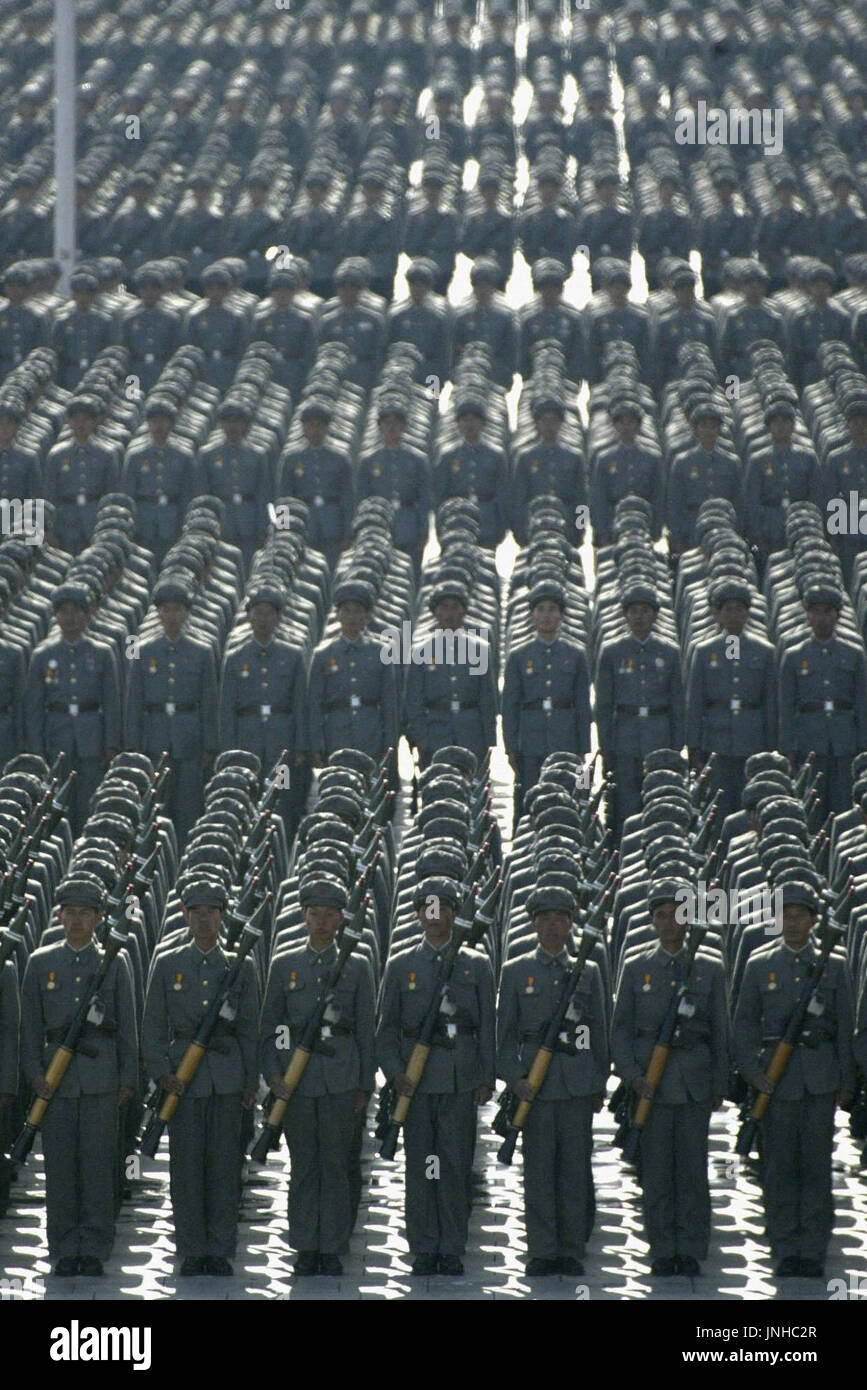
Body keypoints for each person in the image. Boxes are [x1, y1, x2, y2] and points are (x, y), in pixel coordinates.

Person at [733, 881, 855, 1278]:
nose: (792, 921)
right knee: (780, 1167)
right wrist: (754, 1073)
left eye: (800, 913)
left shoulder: (834, 965)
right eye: (785, 913)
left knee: (816, 1167)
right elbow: (744, 1026)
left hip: (818, 1078)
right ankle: (785, 1246)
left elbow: (845, 1027)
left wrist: (845, 1080)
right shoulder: (760, 963)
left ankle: (813, 1247)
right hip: (777, 1080)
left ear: (814, 920)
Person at [376, 877, 495, 1276]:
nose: (435, 915)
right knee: (423, 1165)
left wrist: (485, 1076)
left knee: (454, 1165)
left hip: (459, 1079)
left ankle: (452, 1246)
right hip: (417, 1080)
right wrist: (394, 1073)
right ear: (416, 915)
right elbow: (387, 1027)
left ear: (454, 914)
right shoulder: (401, 964)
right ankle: (424, 1245)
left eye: (443, 907)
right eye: (428, 908)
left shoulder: (475, 965)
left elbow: (488, 1027)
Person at [141, 876, 259, 1276]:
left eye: (211, 912)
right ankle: (192, 1248)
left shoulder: (240, 966)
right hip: (183, 1082)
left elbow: (251, 1030)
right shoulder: (168, 961)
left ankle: (221, 1248)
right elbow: (153, 1027)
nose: (204, 919)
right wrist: (162, 1074)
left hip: (225, 1079)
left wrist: (248, 1083)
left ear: (223, 917)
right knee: (187, 1169)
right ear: (185, 915)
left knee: (225, 1167)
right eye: (197, 912)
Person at [611, 879, 729, 1276]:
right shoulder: (637, 966)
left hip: (693, 1080)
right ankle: (663, 1247)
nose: (668, 921)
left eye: (676, 913)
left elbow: (721, 1031)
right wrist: (632, 1077)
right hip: (652, 1085)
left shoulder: (709, 968)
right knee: (657, 1171)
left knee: (692, 1170)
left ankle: (692, 1248)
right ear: (652, 921)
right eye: (660, 914)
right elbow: (620, 1030)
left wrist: (717, 1086)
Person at [20, 875, 137, 1277]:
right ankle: (64, 1247)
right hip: (56, 1081)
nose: (76, 920)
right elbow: (30, 1028)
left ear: (99, 918)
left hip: (101, 1078)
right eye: (70, 913)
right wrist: (34, 1073)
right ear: (59, 916)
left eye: (85, 914)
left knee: (98, 1168)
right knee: (61, 1168)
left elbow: (126, 1025)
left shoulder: (112, 962)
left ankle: (95, 1247)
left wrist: (127, 1077)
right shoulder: (41, 962)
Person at [259, 878, 376, 1276]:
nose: (322, 922)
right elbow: (272, 1025)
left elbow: (365, 1029)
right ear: (304, 917)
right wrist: (275, 1073)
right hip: (298, 1080)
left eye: (330, 915)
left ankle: (333, 1244)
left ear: (341, 919)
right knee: (305, 1164)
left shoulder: (357, 966)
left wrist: (364, 1084)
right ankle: (307, 1244)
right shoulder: (285, 964)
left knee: (337, 1164)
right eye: (315, 915)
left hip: (341, 1076)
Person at [497, 885, 609, 1276]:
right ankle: (542, 1249)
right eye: (544, 919)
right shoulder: (516, 971)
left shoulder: (589, 971)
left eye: (560, 919)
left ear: (571, 924)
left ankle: (571, 1249)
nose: (552, 926)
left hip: (575, 1082)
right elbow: (504, 1035)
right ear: (533, 924)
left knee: (575, 1170)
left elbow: (597, 1031)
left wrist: (597, 1081)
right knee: (540, 1171)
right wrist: (514, 1079)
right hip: (535, 1085)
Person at [125, 575, 218, 851]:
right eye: (166, 609)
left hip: (189, 738)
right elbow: (134, 704)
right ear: (158, 613)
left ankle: (185, 854)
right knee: (156, 805)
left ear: (187, 613)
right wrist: (133, 746)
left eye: (177, 609)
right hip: (155, 738)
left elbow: (209, 702)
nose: (172, 615)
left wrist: (210, 745)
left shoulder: (201, 651)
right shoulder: (142, 651)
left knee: (188, 806)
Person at [25, 583, 122, 835]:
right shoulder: (43, 655)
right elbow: (33, 706)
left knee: (88, 800)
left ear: (88, 614)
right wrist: (35, 747)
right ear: (55, 616)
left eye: (77, 611)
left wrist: (111, 744)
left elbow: (112, 701)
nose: (70, 618)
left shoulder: (101, 652)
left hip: (91, 736)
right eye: (64, 612)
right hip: (56, 734)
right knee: (57, 802)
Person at [219, 580, 307, 837]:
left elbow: (299, 705)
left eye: (269, 613)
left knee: (283, 799)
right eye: (258, 613)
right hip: (247, 742)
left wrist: (300, 746)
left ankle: (282, 845)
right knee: (250, 798)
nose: (263, 619)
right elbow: (227, 709)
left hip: (283, 744)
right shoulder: (236, 658)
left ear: (279, 617)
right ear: (248, 616)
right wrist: (229, 750)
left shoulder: (291, 657)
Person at [595, 584, 684, 837]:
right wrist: (606, 745)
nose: (639, 616)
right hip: (624, 735)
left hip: (659, 734)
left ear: (655, 615)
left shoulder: (669, 652)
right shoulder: (613, 651)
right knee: (625, 800)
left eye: (645, 611)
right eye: (633, 611)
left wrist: (677, 745)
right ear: (625, 615)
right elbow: (603, 705)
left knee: (659, 798)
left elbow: (678, 703)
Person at [685, 579, 778, 821]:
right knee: (719, 803)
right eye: (727, 609)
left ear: (748, 612)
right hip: (717, 740)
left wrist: (771, 743)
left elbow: (771, 703)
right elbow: (695, 703)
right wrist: (694, 747)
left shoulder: (764, 651)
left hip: (752, 738)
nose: (734, 615)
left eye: (739, 609)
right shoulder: (705, 651)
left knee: (752, 802)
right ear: (717, 614)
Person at [502, 581, 592, 818]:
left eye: (552, 609)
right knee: (528, 798)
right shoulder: (519, 656)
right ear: (532, 615)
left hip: (565, 737)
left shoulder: (575, 654)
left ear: (561, 615)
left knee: (572, 795)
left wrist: (584, 747)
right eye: (540, 609)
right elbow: (509, 705)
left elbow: (583, 704)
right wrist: (511, 747)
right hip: (531, 740)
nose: (546, 615)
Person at [778, 583, 867, 817]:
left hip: (844, 738)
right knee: (813, 804)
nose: (821, 618)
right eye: (815, 611)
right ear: (807, 614)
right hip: (809, 737)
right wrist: (787, 747)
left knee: (844, 803)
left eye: (827, 611)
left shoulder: (853, 653)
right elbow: (786, 706)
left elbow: (862, 701)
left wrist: (863, 742)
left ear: (838, 615)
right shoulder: (795, 655)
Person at [307, 580, 398, 770]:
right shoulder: (323, 654)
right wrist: (316, 745)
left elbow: (389, 702)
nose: (352, 617)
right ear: (337, 615)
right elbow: (315, 703)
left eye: (357, 611)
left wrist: (390, 743)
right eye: (346, 611)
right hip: (336, 732)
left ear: (368, 615)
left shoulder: (381, 651)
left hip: (370, 730)